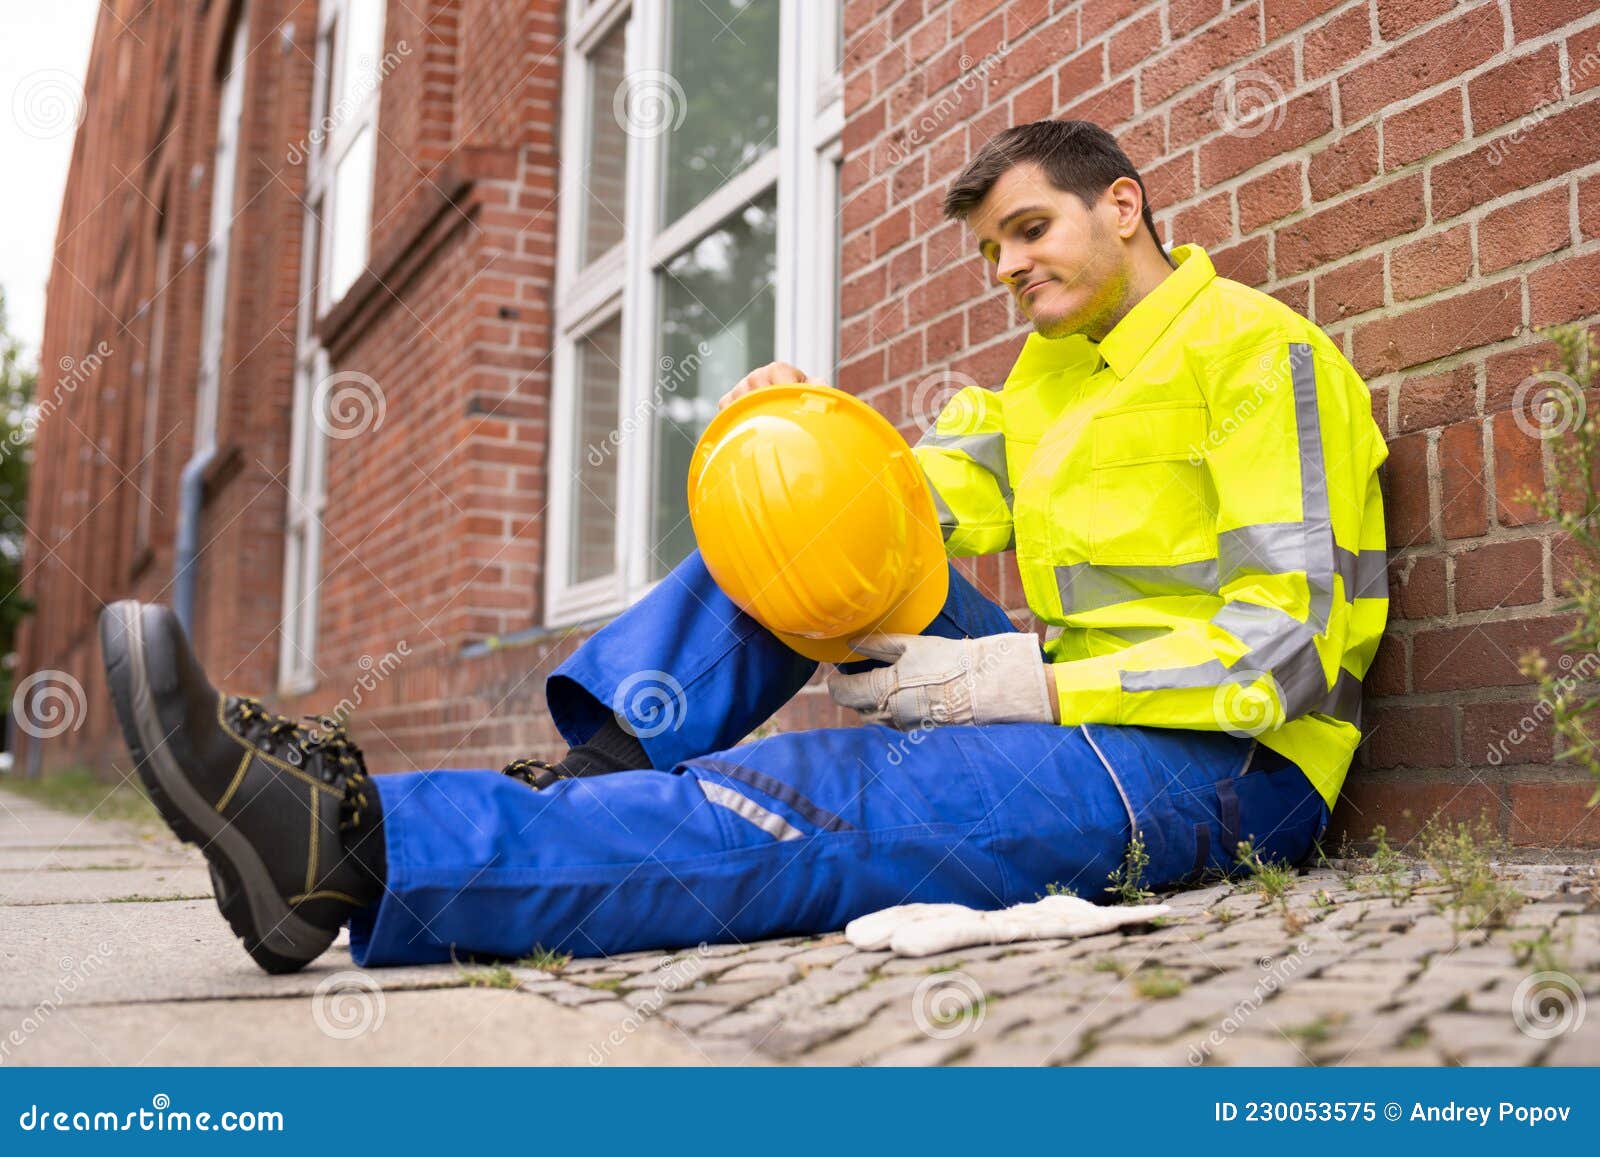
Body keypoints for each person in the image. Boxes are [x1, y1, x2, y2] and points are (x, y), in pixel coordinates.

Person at [98, 120, 1387, 974]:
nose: (1006, 268)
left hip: (1228, 769)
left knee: (852, 801)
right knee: (801, 523)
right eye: (991, 250)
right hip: (1078, 715)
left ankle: (353, 847)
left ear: (1125, 203)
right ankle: (591, 777)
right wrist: (805, 443)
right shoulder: (1042, 383)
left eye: (1030, 231)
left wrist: (1023, 689)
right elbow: (903, 512)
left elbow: (1291, 652)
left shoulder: (1259, 355)